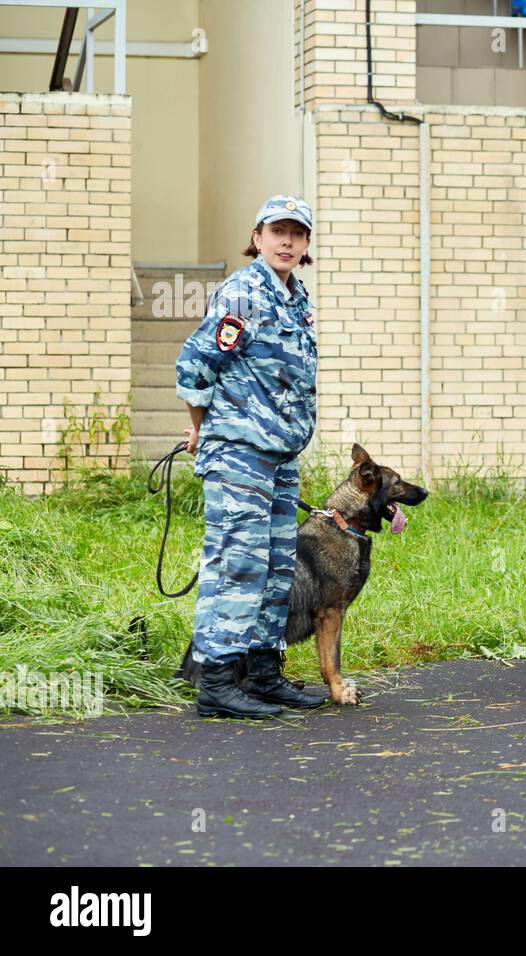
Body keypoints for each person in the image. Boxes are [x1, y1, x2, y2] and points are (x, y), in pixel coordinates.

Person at [175, 195, 326, 718]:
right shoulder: (244, 292)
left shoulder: (295, 296)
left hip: (280, 456)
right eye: (277, 231)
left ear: (306, 245)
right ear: (257, 236)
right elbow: (195, 366)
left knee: (277, 566)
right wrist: (203, 429)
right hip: (241, 453)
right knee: (237, 564)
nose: (288, 241)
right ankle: (217, 680)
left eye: (298, 234)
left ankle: (263, 674)